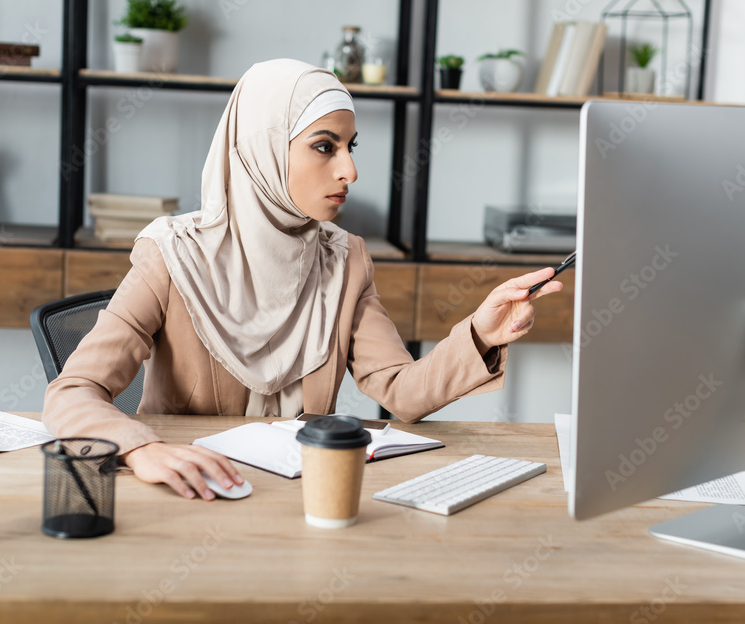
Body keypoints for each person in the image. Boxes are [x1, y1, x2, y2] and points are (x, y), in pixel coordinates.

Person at [42, 58, 563, 501]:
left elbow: (400, 392)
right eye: (324, 146)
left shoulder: (345, 260)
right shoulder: (173, 255)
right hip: (192, 495)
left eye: (350, 147)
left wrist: (481, 332)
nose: (349, 171)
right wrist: (142, 450)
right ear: (263, 148)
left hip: (305, 496)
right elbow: (73, 392)